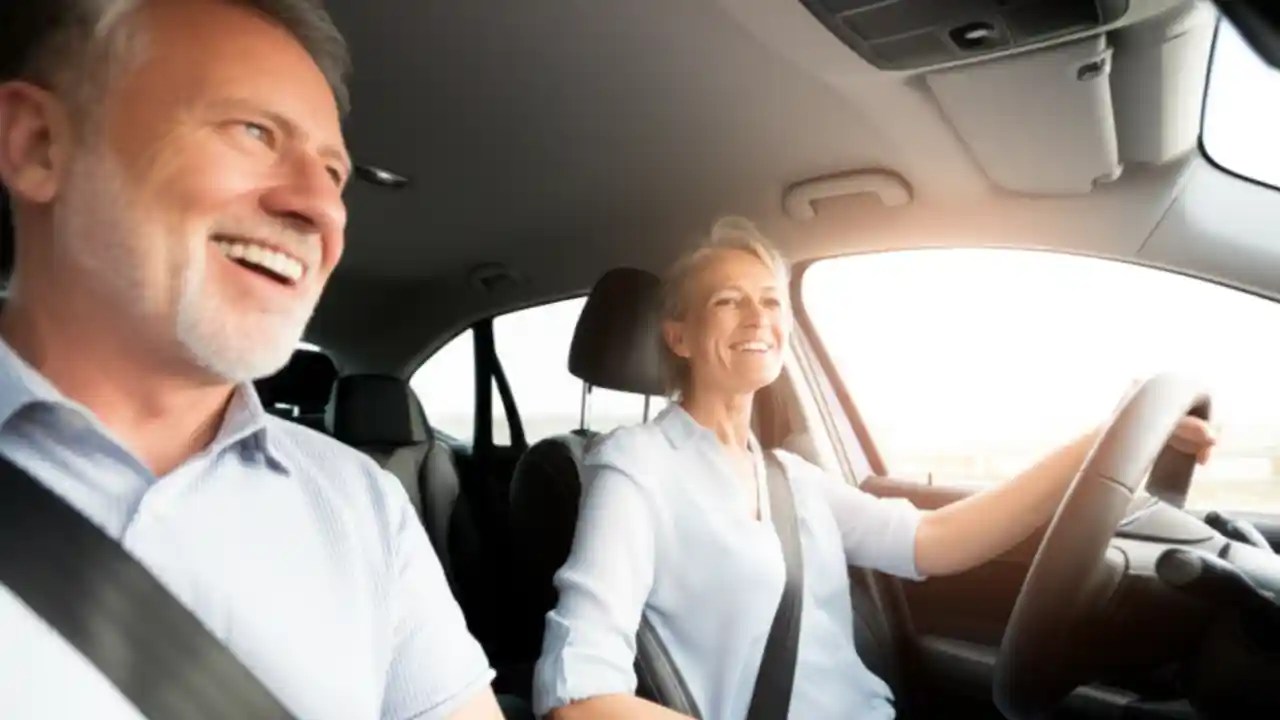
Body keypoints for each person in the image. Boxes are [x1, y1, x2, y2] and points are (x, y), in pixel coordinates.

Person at [0, 1, 504, 718]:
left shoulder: (364, 508)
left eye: (333, 174)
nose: (323, 211)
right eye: (254, 131)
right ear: (39, 143)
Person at [532, 216, 1217, 719]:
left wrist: (1104, 442)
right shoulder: (637, 467)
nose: (759, 316)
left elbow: (935, 542)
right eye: (727, 300)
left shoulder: (792, 477)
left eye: (771, 300)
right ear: (677, 336)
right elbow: (580, 693)